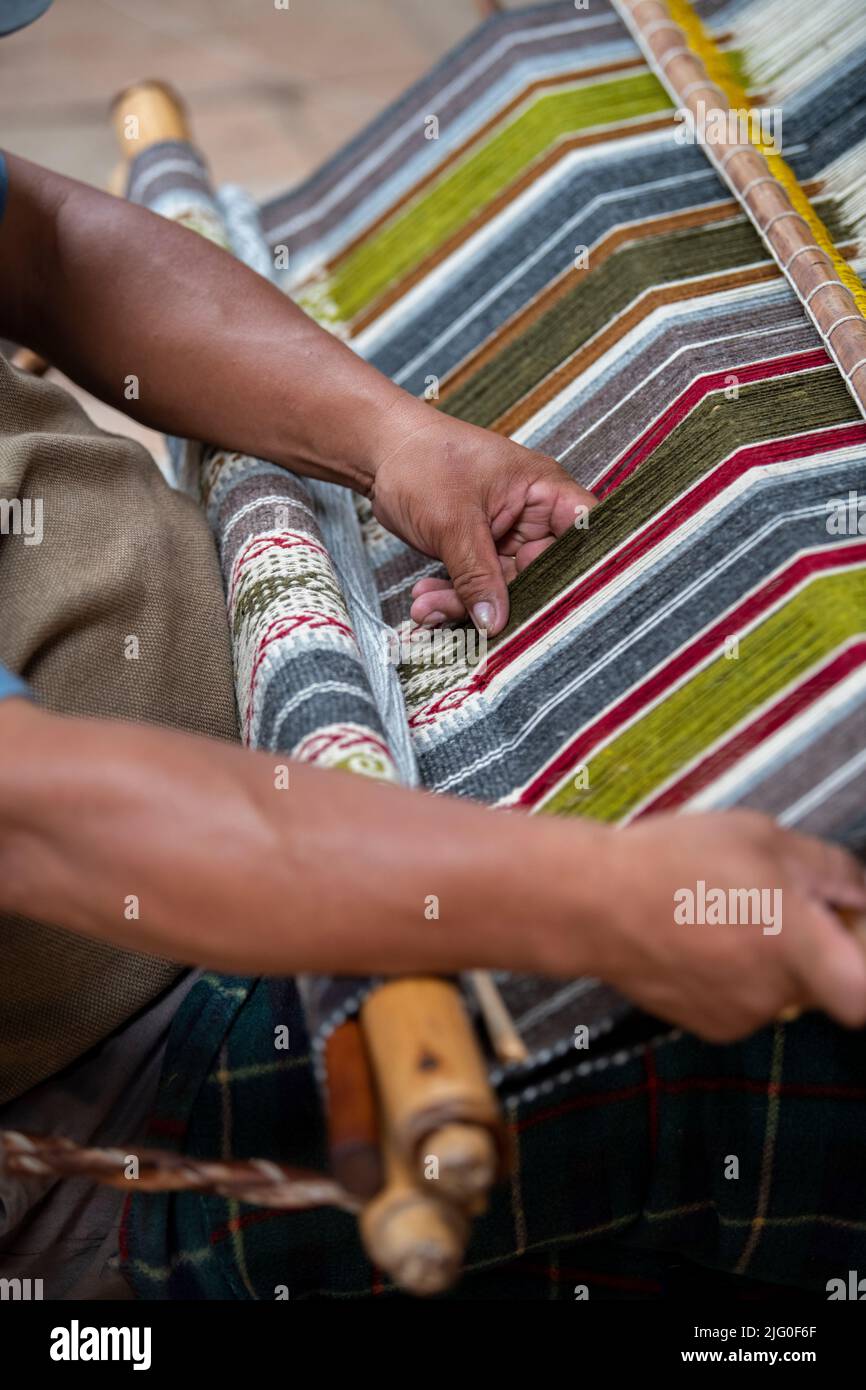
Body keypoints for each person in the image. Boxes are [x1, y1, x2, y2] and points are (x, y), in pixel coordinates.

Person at [1, 0, 865, 1298]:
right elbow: (43, 820)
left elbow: (46, 244)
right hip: (132, 1061)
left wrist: (381, 435)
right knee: (790, 1039)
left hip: (244, 783)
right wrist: (620, 899)